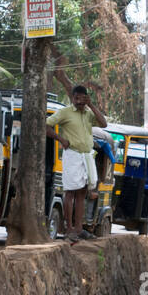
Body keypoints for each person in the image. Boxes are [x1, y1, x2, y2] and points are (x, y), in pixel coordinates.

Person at [47, 84, 107, 244]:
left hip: (87, 156)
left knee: (82, 192)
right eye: (76, 98)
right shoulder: (65, 112)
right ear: (72, 98)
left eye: (82, 98)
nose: (79, 101)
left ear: (86, 98)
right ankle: (69, 229)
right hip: (72, 155)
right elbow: (46, 125)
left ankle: (79, 229)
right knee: (70, 192)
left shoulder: (88, 113)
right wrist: (61, 139)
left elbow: (104, 124)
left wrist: (91, 105)